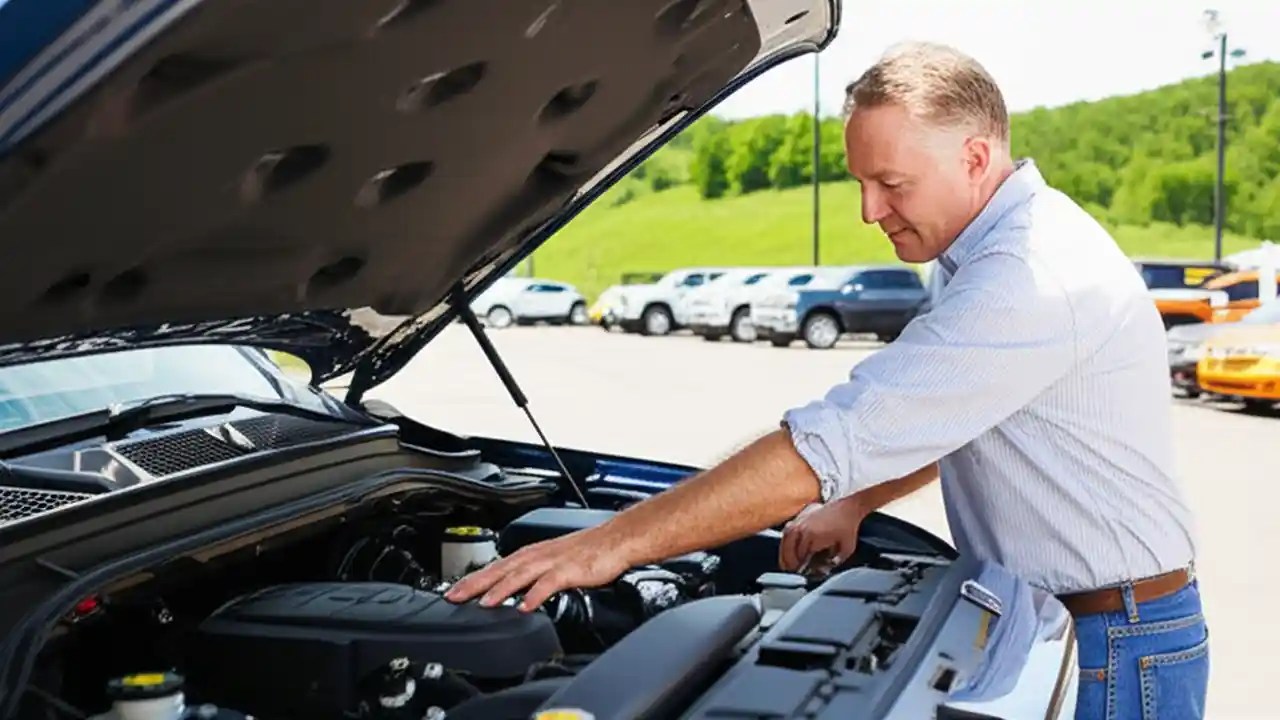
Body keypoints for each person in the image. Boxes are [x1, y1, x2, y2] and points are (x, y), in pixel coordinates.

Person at [446, 41, 1208, 718]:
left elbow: (831, 440)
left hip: (1123, 647)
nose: (870, 210)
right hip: (1083, 624)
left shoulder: (1029, 276)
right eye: (861, 183)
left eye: (892, 183)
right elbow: (951, 419)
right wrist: (855, 501)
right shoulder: (987, 248)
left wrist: (608, 547)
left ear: (976, 159)